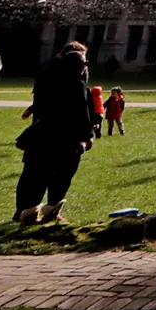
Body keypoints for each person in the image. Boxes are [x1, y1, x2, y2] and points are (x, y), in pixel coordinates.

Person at [16, 42, 95, 223]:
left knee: (34, 174)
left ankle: (27, 211)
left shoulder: (47, 76)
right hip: (66, 138)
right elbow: (81, 113)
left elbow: (42, 102)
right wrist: (88, 137)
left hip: (41, 134)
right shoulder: (77, 85)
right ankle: (51, 210)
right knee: (61, 175)